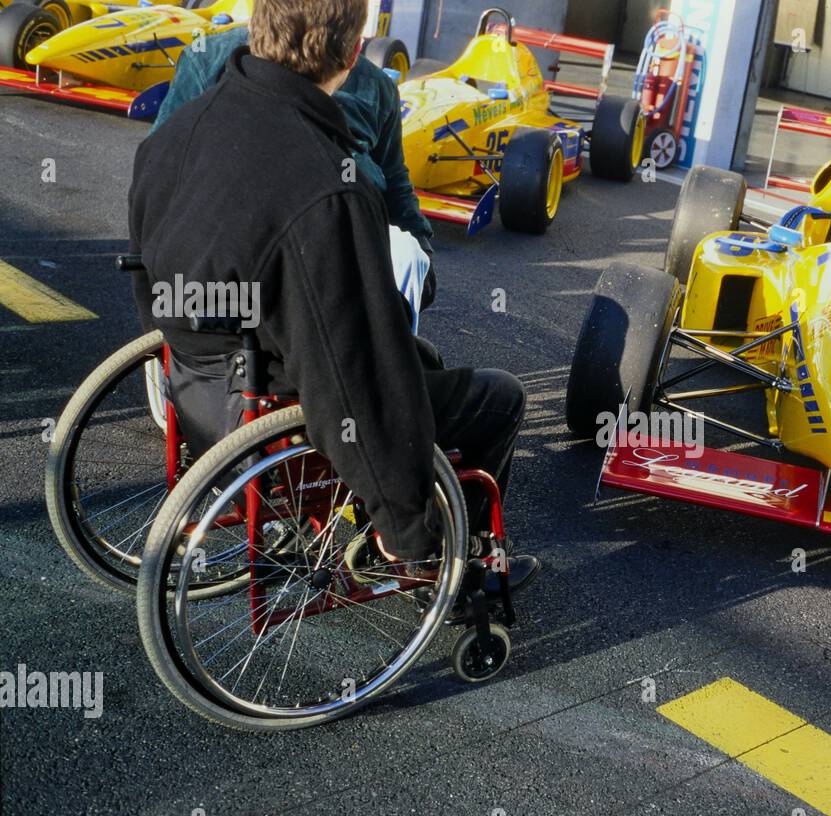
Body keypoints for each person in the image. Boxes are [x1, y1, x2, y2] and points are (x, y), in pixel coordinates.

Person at [128, 0, 537, 585]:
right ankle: (443, 564)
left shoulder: (178, 133)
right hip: (271, 406)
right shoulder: (327, 190)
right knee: (499, 398)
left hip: (197, 387)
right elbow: (350, 378)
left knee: (425, 362)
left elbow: (148, 266)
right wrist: (405, 527)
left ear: (259, 26)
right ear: (351, 54)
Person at [153, 18, 436, 332]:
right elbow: (163, 165)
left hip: (342, 242)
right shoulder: (209, 60)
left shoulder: (376, 88)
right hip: (246, 253)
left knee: (405, 257)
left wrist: (419, 244)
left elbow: (395, 179)